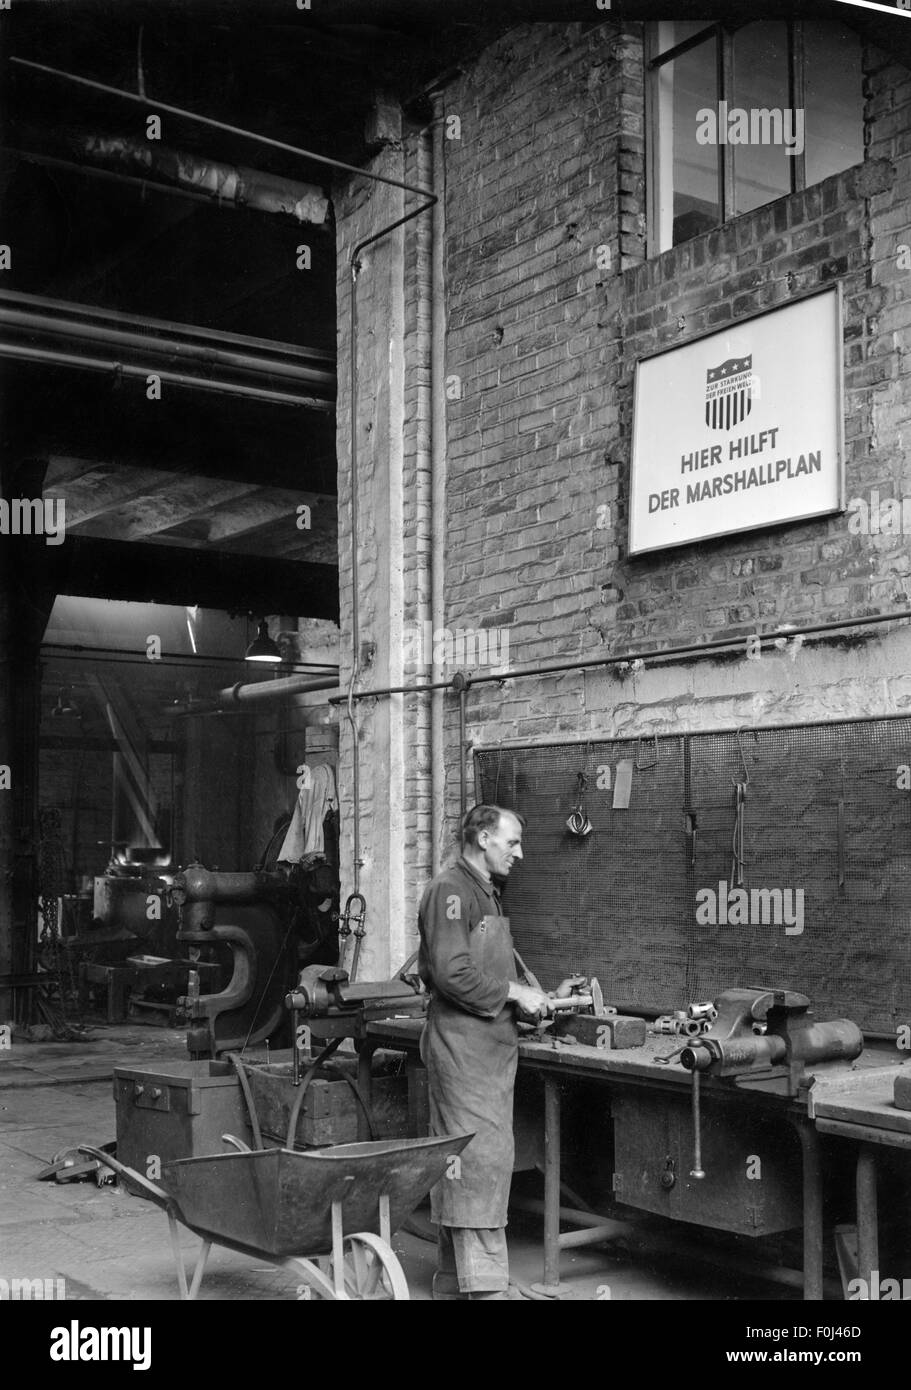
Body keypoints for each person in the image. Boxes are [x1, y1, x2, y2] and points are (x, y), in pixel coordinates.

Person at [417, 802, 552, 1300]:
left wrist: (526, 996)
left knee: (474, 1159)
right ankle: (488, 1291)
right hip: (463, 1048)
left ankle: (456, 1285)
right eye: (511, 842)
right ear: (481, 839)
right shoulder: (451, 891)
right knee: (476, 1160)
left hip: (488, 1049)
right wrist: (516, 993)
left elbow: (482, 969)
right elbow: (452, 974)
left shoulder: (484, 893)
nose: (520, 853)